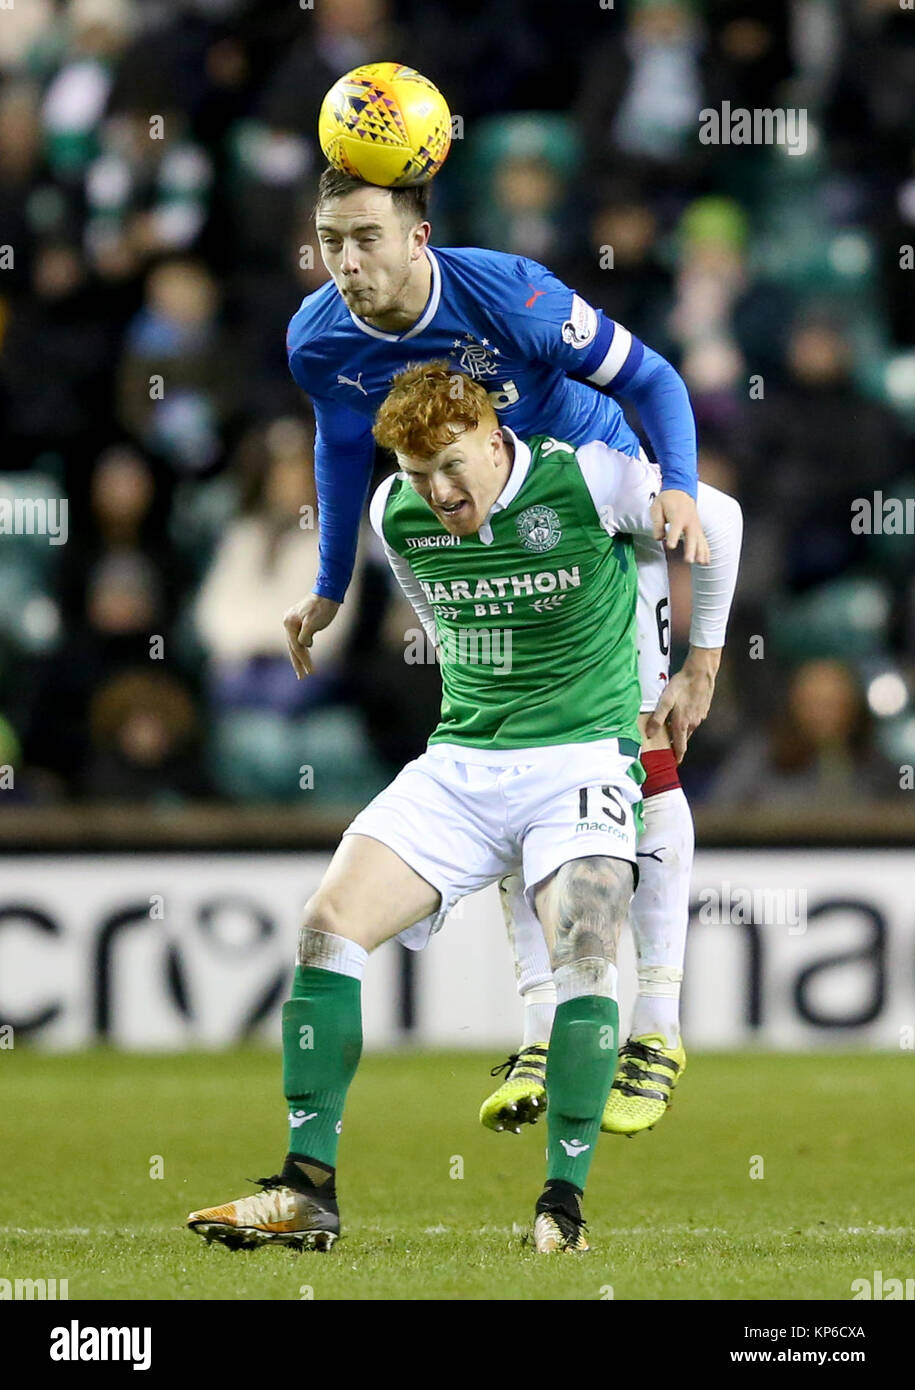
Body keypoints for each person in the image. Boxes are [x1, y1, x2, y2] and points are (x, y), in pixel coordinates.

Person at [187, 363, 740, 1255]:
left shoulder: (587, 477)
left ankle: (560, 1207)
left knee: (586, 954)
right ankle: (305, 1191)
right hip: (460, 764)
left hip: (579, 764)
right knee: (328, 924)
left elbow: (715, 518)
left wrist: (699, 664)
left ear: (494, 439)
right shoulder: (390, 515)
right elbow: (437, 618)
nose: (437, 492)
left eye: (451, 465)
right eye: (415, 474)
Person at [282, 168, 729, 1138]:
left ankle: (656, 1023)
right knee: (499, 755)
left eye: (365, 236)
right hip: (477, 520)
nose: (347, 261)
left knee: (642, 749)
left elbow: (650, 376)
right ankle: (541, 1022)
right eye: (331, 240)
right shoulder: (320, 337)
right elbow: (339, 443)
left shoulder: (508, 293)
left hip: (591, 512)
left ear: (420, 236)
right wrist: (330, 583)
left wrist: (698, 623)